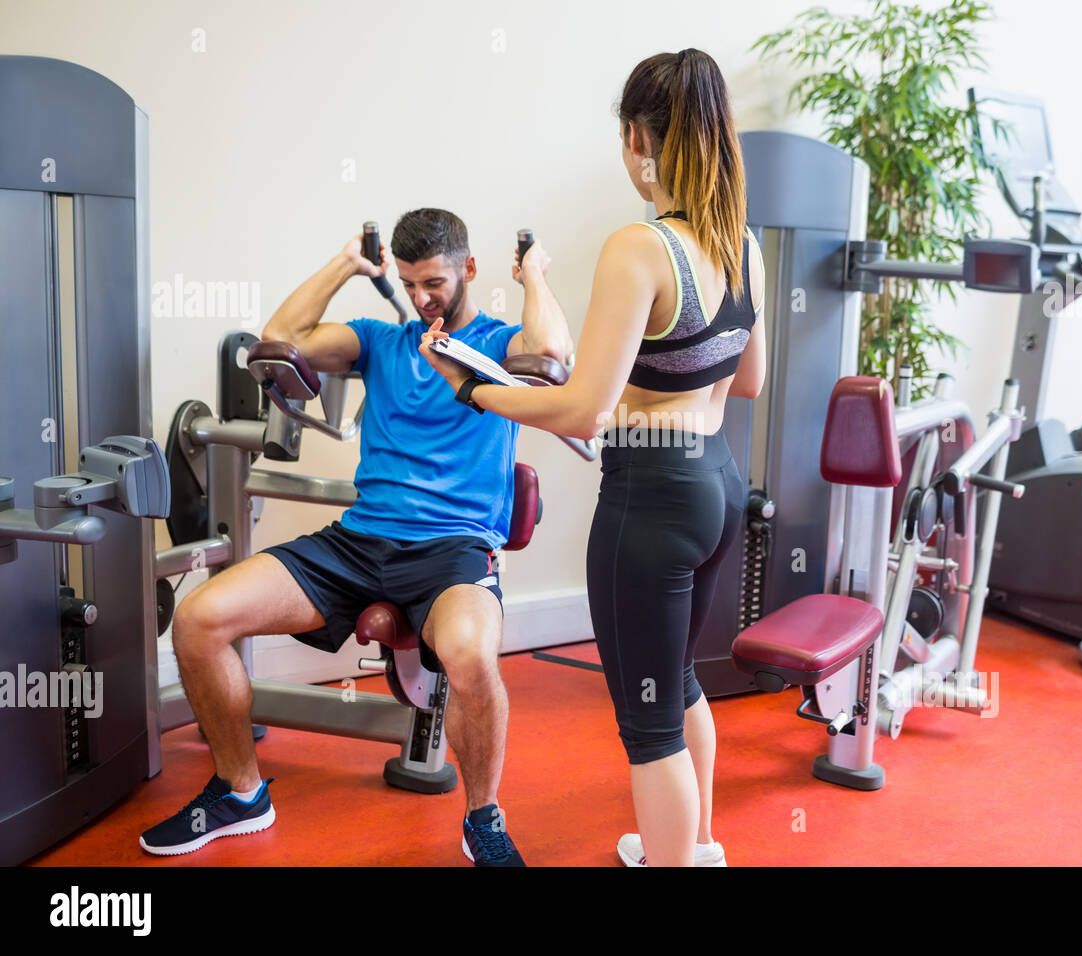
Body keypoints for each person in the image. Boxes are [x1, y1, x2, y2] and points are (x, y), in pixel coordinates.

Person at [140, 208, 572, 867]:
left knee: (472, 654)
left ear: (469, 271)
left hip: (452, 550)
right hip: (358, 542)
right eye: (410, 283)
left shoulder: (499, 342)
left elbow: (552, 357)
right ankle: (241, 791)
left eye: (436, 282)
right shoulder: (380, 339)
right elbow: (279, 336)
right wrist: (347, 262)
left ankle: (483, 819)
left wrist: (535, 274)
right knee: (200, 619)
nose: (424, 298)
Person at [420, 49, 766, 866]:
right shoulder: (742, 244)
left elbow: (583, 409)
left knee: (649, 728)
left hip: (652, 502)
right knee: (679, 683)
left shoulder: (638, 246)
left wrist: (476, 390)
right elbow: (745, 378)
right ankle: (697, 846)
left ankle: (673, 856)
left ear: (639, 139)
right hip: (714, 479)